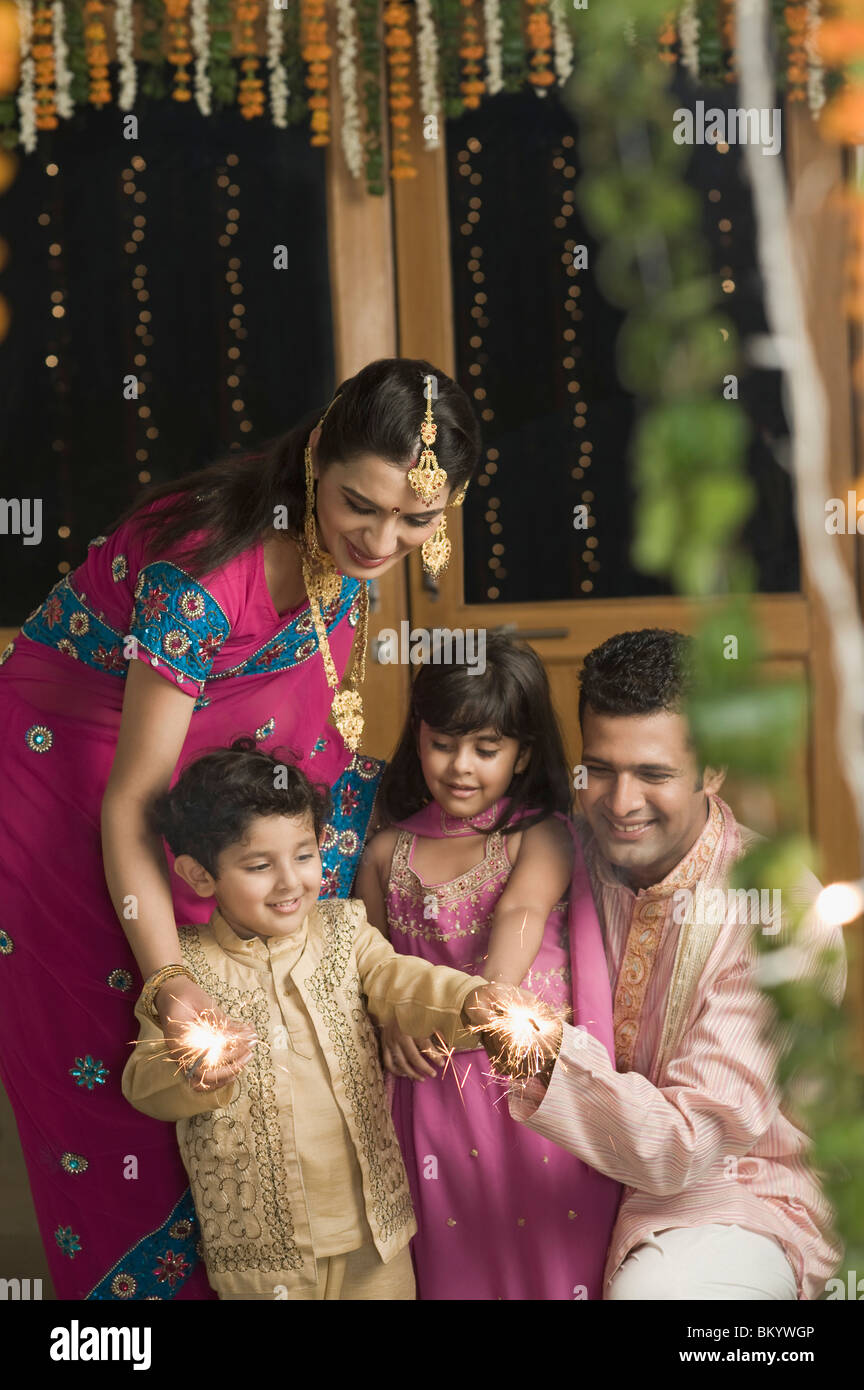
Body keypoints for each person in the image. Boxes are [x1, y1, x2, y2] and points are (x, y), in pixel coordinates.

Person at [0, 357, 480, 1300]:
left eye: (416, 519)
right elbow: (136, 802)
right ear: (314, 462)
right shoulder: (207, 575)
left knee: (262, 1019)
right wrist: (170, 983)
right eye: (360, 507)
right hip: (75, 779)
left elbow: (312, 763)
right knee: (134, 1068)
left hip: (202, 774)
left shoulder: (344, 567)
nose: (382, 539)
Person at [507, 628, 846, 1301]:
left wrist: (535, 1053)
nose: (621, 802)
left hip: (730, 1197)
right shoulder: (558, 854)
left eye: (654, 774)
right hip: (564, 1174)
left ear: (712, 769)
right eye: (600, 769)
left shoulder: (780, 913)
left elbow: (688, 1146)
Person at [122, 740, 507, 1301]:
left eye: (304, 855)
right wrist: (191, 1072)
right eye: (259, 865)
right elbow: (142, 1081)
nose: (291, 882)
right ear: (199, 875)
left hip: (375, 1242)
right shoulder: (181, 973)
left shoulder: (345, 931)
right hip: (260, 1258)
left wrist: (472, 1001)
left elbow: (405, 982)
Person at [356, 633, 621, 1300]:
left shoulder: (539, 834)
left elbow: (521, 916)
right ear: (418, 738)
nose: (461, 766)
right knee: (459, 1258)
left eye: (486, 747)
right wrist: (391, 1024)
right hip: (430, 1093)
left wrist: (474, 1007)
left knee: (549, 1250)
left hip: (521, 1076)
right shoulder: (388, 849)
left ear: (522, 752)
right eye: (443, 743)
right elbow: (366, 964)